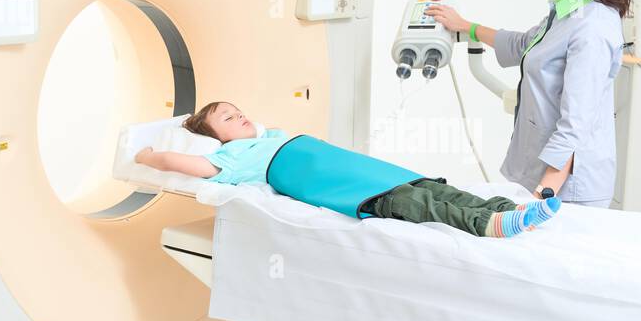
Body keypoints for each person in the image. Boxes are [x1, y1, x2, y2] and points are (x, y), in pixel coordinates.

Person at [426, 0, 631, 207]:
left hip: (567, 189)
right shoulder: (571, 6)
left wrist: (538, 201)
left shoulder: (593, 28)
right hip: (538, 171)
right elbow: (525, 44)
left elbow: (574, 128)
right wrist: (465, 26)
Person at [135, 101, 561, 239]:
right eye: (226, 119)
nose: (239, 117)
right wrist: (148, 157)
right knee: (419, 202)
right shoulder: (231, 159)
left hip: (370, 170)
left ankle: (510, 211)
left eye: (237, 111)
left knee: (433, 187)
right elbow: (178, 161)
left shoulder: (269, 135)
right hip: (351, 189)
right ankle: (488, 224)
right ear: (215, 138)